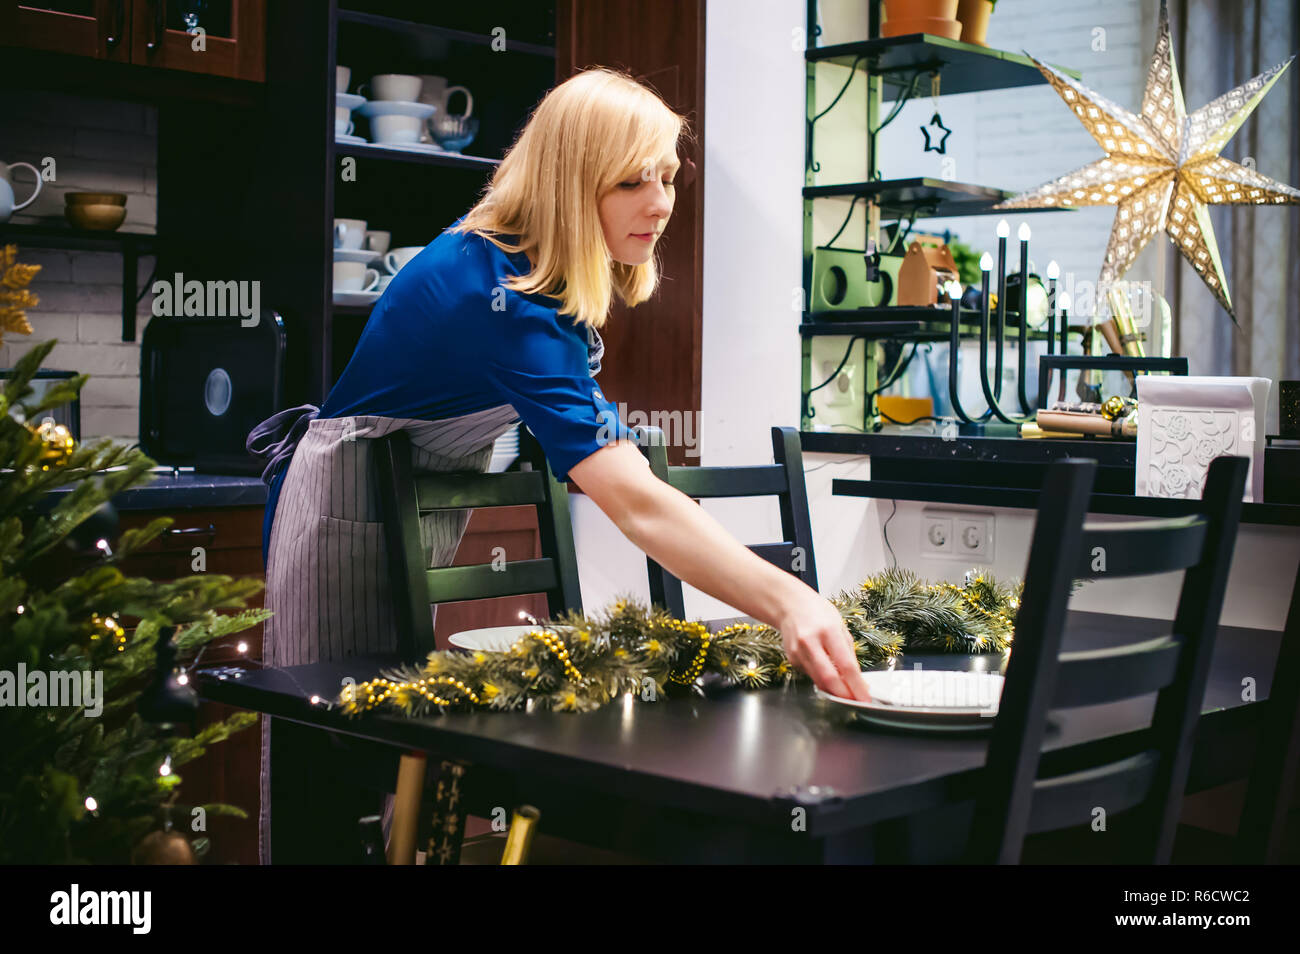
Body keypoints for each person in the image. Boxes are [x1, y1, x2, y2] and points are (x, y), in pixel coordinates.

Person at [247, 66, 869, 863]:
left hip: (396, 507)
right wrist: (789, 602)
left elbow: (606, 451)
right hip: (337, 515)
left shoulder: (529, 279)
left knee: (381, 773)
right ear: (573, 182)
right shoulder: (498, 294)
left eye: (669, 178)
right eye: (631, 181)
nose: (660, 202)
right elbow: (635, 502)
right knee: (324, 771)